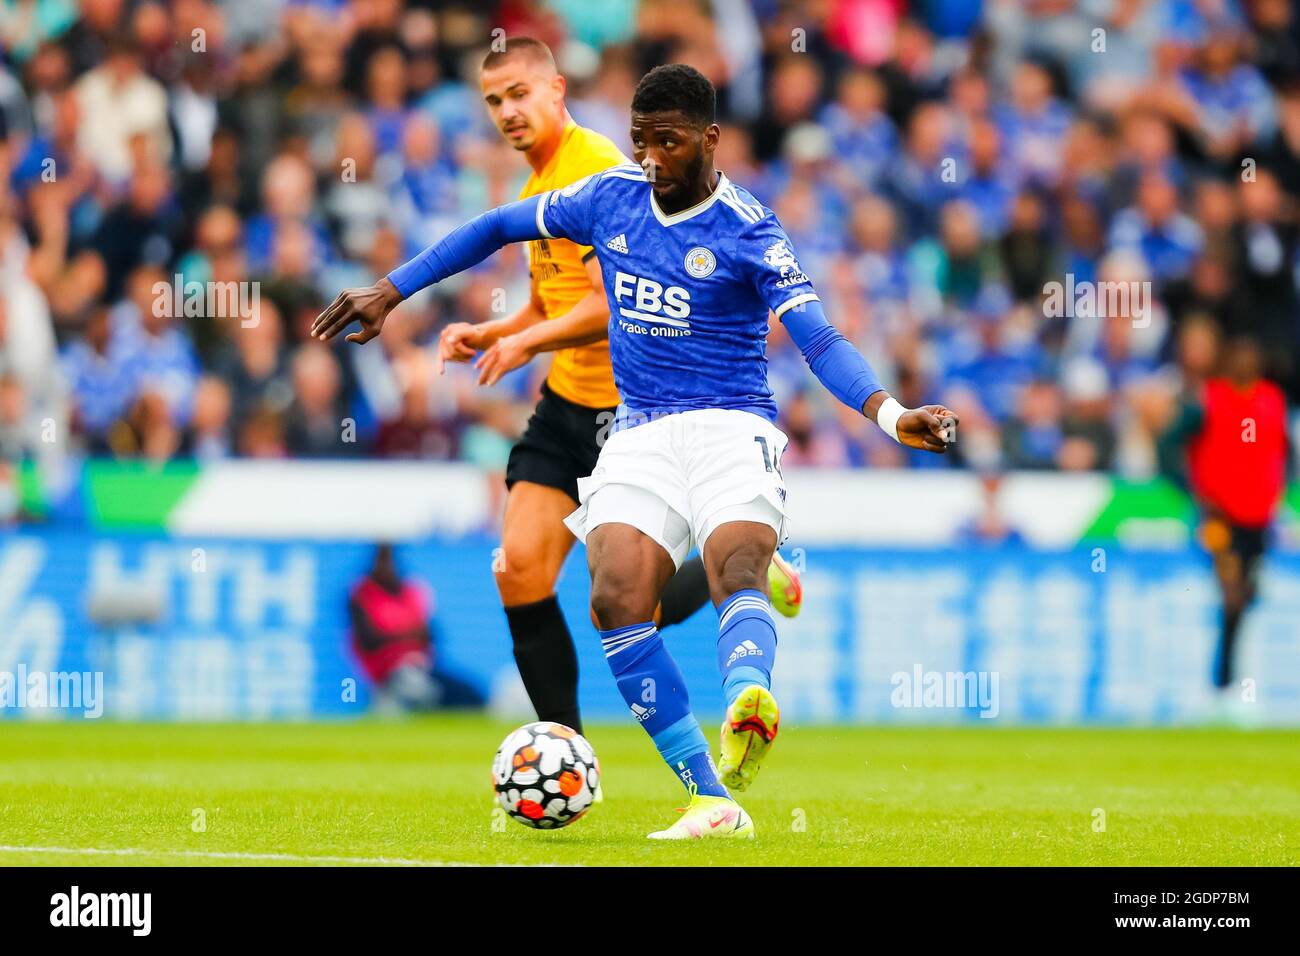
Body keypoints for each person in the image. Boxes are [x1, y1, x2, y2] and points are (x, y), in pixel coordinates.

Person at [315, 64, 955, 840]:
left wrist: (891, 416)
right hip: (640, 431)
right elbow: (493, 228)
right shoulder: (610, 197)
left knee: (735, 568)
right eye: (642, 140)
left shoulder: (751, 230)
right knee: (617, 597)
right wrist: (391, 289)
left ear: (711, 139)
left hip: (731, 426)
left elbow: (817, 338)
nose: (652, 157)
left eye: (671, 141)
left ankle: (749, 693)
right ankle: (710, 799)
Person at [429, 38, 802, 737]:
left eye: (519, 94)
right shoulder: (535, 187)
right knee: (517, 570)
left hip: (629, 418)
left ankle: (752, 568)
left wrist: (523, 344)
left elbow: (613, 305)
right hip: (566, 404)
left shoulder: (605, 170)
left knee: (634, 609)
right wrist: (497, 330)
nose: (507, 112)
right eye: (494, 102)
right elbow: (553, 302)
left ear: (556, 90)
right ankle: (567, 752)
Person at [1162, 335, 1288, 710]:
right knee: (1230, 589)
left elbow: (1283, 448)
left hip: (1259, 518)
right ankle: (1222, 684)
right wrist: (1193, 490)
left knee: (1245, 594)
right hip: (1220, 517)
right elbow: (1168, 444)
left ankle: (1227, 682)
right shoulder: (1207, 401)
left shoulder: (1270, 401)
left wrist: (1280, 485)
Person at [348, 543, 484, 714]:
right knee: (422, 693)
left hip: (422, 666)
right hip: (387, 673)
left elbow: (430, 634)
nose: (387, 566)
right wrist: (408, 634)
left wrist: (396, 635)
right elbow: (369, 640)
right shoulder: (362, 593)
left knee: (468, 694)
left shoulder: (412, 590)